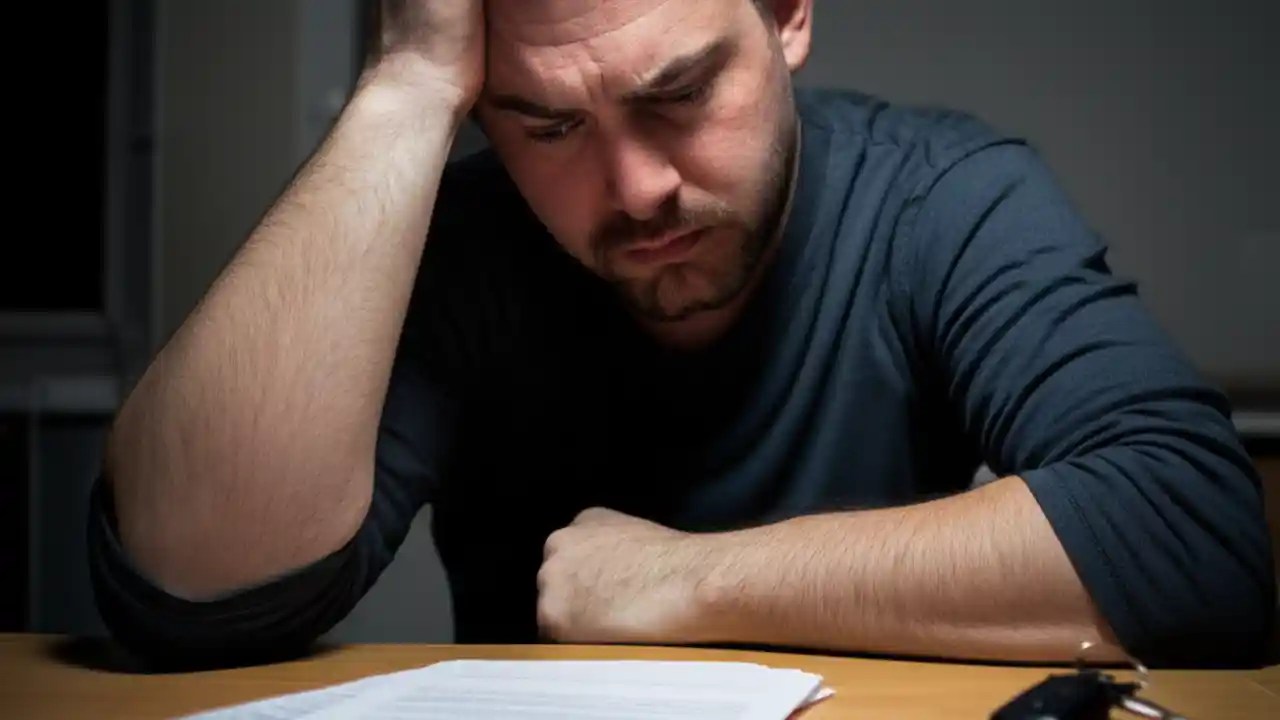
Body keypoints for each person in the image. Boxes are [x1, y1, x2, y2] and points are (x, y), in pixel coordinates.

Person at [88, 0, 1275, 671]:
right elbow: (184, 589)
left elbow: (1195, 539)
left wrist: (685, 581)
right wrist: (403, 88)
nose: (635, 186)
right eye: (545, 125)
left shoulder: (942, 201)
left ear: (789, 16)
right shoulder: (463, 244)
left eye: (678, 95)